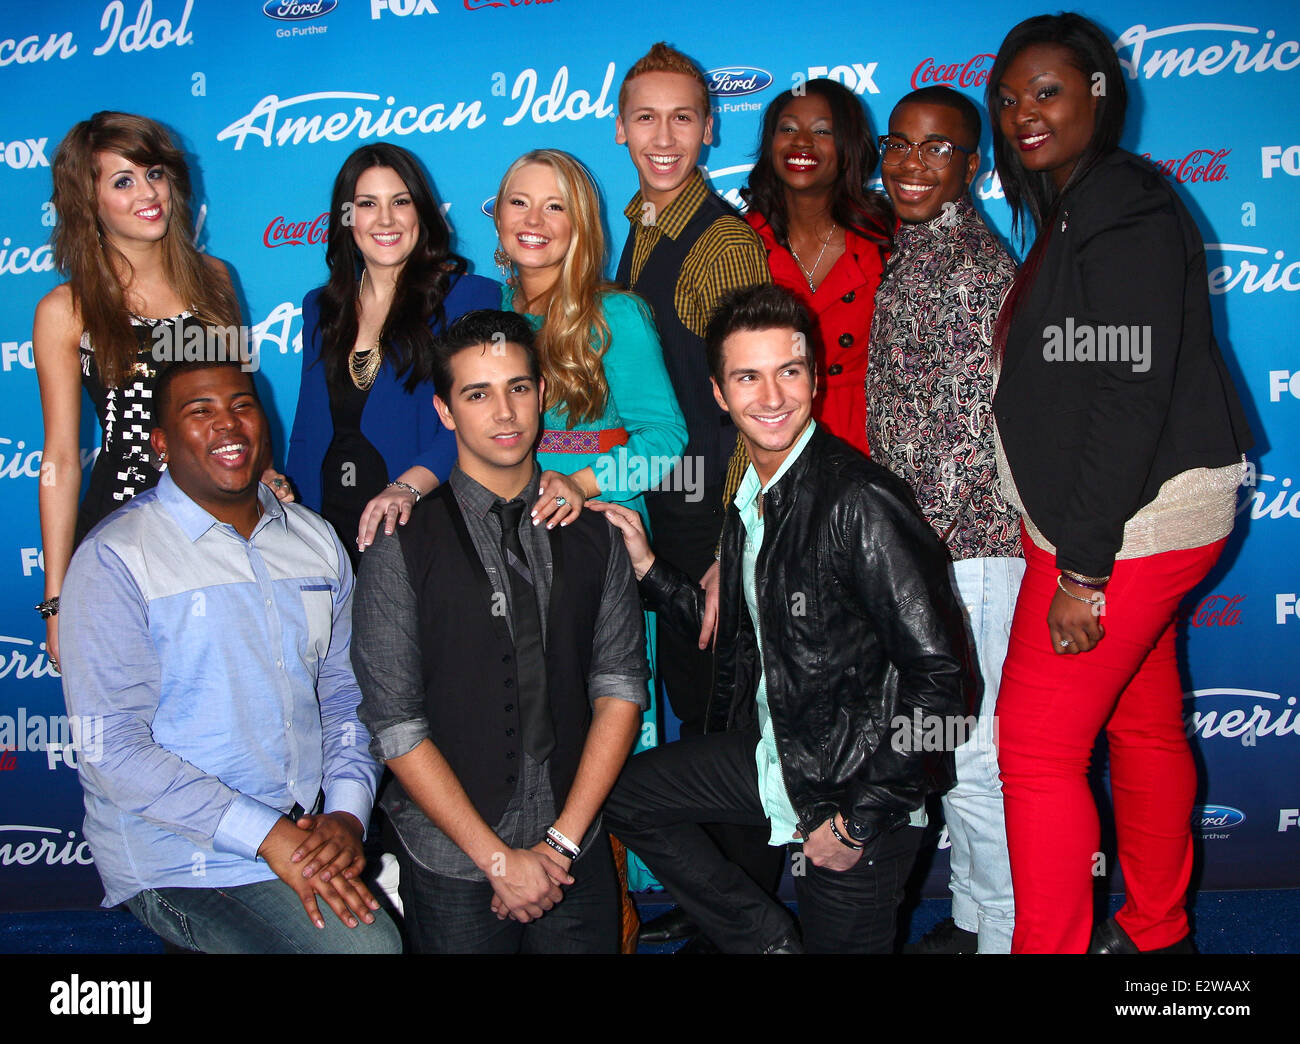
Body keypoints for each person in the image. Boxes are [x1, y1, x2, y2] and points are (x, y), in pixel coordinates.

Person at [597, 284, 973, 953]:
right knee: (625, 796)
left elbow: (944, 683)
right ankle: (767, 938)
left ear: (815, 379)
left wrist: (859, 819)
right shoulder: (756, 494)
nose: (771, 398)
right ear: (718, 393)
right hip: (784, 758)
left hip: (858, 793)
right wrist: (648, 567)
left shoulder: (860, 501)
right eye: (748, 377)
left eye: (788, 372)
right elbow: (736, 634)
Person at [987, 12, 1253, 954]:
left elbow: (1129, 391)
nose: (1024, 112)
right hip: (1126, 522)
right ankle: (1156, 935)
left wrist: (1085, 570)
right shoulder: (1081, 201)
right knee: (1140, 727)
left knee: (1036, 750)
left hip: (1127, 532)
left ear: (1100, 91)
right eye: (1010, 97)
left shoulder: (1122, 202)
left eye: (1048, 91)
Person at [59, 358, 400, 954]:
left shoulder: (315, 539)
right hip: (180, 856)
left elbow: (346, 695)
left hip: (305, 830)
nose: (228, 425)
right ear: (160, 443)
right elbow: (111, 747)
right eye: (200, 411)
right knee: (365, 949)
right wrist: (268, 836)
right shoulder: (116, 557)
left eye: (242, 406)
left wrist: (346, 815)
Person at [352, 309, 648, 954]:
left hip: (575, 848)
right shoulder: (398, 546)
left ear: (543, 394)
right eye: (478, 393)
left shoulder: (597, 535)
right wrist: (496, 860)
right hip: (451, 857)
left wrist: (561, 843)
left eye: (518, 387)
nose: (505, 412)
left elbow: (621, 691)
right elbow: (395, 724)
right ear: (445, 412)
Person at [613, 40, 777, 948]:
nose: (664, 135)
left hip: (713, 528)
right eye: (647, 117)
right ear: (622, 129)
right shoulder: (638, 229)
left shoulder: (719, 242)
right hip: (665, 525)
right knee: (696, 713)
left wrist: (728, 546)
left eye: (683, 117)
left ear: (711, 130)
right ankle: (722, 907)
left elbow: (756, 402)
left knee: (731, 739)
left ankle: (745, 926)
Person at [33, 111, 286, 673]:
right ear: (87, 201)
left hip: (222, 521)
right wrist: (57, 601)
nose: (148, 193)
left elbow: (240, 405)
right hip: (125, 529)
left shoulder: (215, 279)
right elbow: (59, 460)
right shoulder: (64, 310)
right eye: (122, 181)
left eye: (153, 173)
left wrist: (265, 475)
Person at [867, 85, 1022, 954]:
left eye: (938, 149)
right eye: (900, 144)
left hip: (965, 560)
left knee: (971, 759)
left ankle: (999, 933)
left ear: (973, 165)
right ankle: (972, 920)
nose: (912, 163)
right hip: (938, 558)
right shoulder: (917, 251)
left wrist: (910, 564)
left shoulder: (966, 268)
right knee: (954, 752)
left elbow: (970, 441)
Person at [286, 143, 499, 569]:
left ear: (422, 211)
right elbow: (307, 429)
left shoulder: (468, 296)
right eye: (368, 204)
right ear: (348, 218)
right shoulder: (319, 307)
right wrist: (291, 516)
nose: (385, 219)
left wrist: (407, 488)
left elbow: (479, 419)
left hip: (422, 523)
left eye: (400, 201)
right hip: (327, 536)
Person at [741, 77, 892, 456]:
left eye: (822, 130)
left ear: (847, 147)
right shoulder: (740, 242)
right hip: (777, 434)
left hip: (877, 434)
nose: (801, 142)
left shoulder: (888, 235)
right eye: (787, 128)